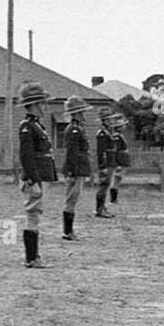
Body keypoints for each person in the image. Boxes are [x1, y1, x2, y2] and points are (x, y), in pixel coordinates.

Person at [17, 81, 56, 268]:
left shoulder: (37, 125)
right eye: (42, 103)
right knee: (33, 215)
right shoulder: (27, 126)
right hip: (36, 176)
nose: (44, 107)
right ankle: (31, 258)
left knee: (36, 215)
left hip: (42, 175)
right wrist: (33, 180)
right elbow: (27, 156)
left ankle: (33, 256)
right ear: (33, 105)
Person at [60, 94, 92, 242]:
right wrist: (72, 170)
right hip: (76, 167)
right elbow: (72, 152)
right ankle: (67, 231)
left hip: (80, 166)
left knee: (73, 199)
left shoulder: (78, 128)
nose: (84, 115)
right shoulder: (74, 129)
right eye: (82, 112)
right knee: (71, 199)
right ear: (77, 113)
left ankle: (69, 230)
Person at [95, 108, 117, 219]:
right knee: (103, 185)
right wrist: (102, 165)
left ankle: (102, 207)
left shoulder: (109, 132)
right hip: (106, 163)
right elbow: (101, 151)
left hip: (110, 162)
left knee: (106, 185)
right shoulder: (102, 133)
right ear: (104, 120)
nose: (111, 121)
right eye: (109, 119)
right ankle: (99, 209)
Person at [109, 113, 131, 208]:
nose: (125, 127)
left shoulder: (120, 136)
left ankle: (114, 198)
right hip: (120, 161)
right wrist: (117, 163)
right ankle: (113, 199)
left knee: (118, 179)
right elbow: (116, 150)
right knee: (116, 179)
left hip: (123, 160)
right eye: (123, 125)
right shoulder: (117, 137)